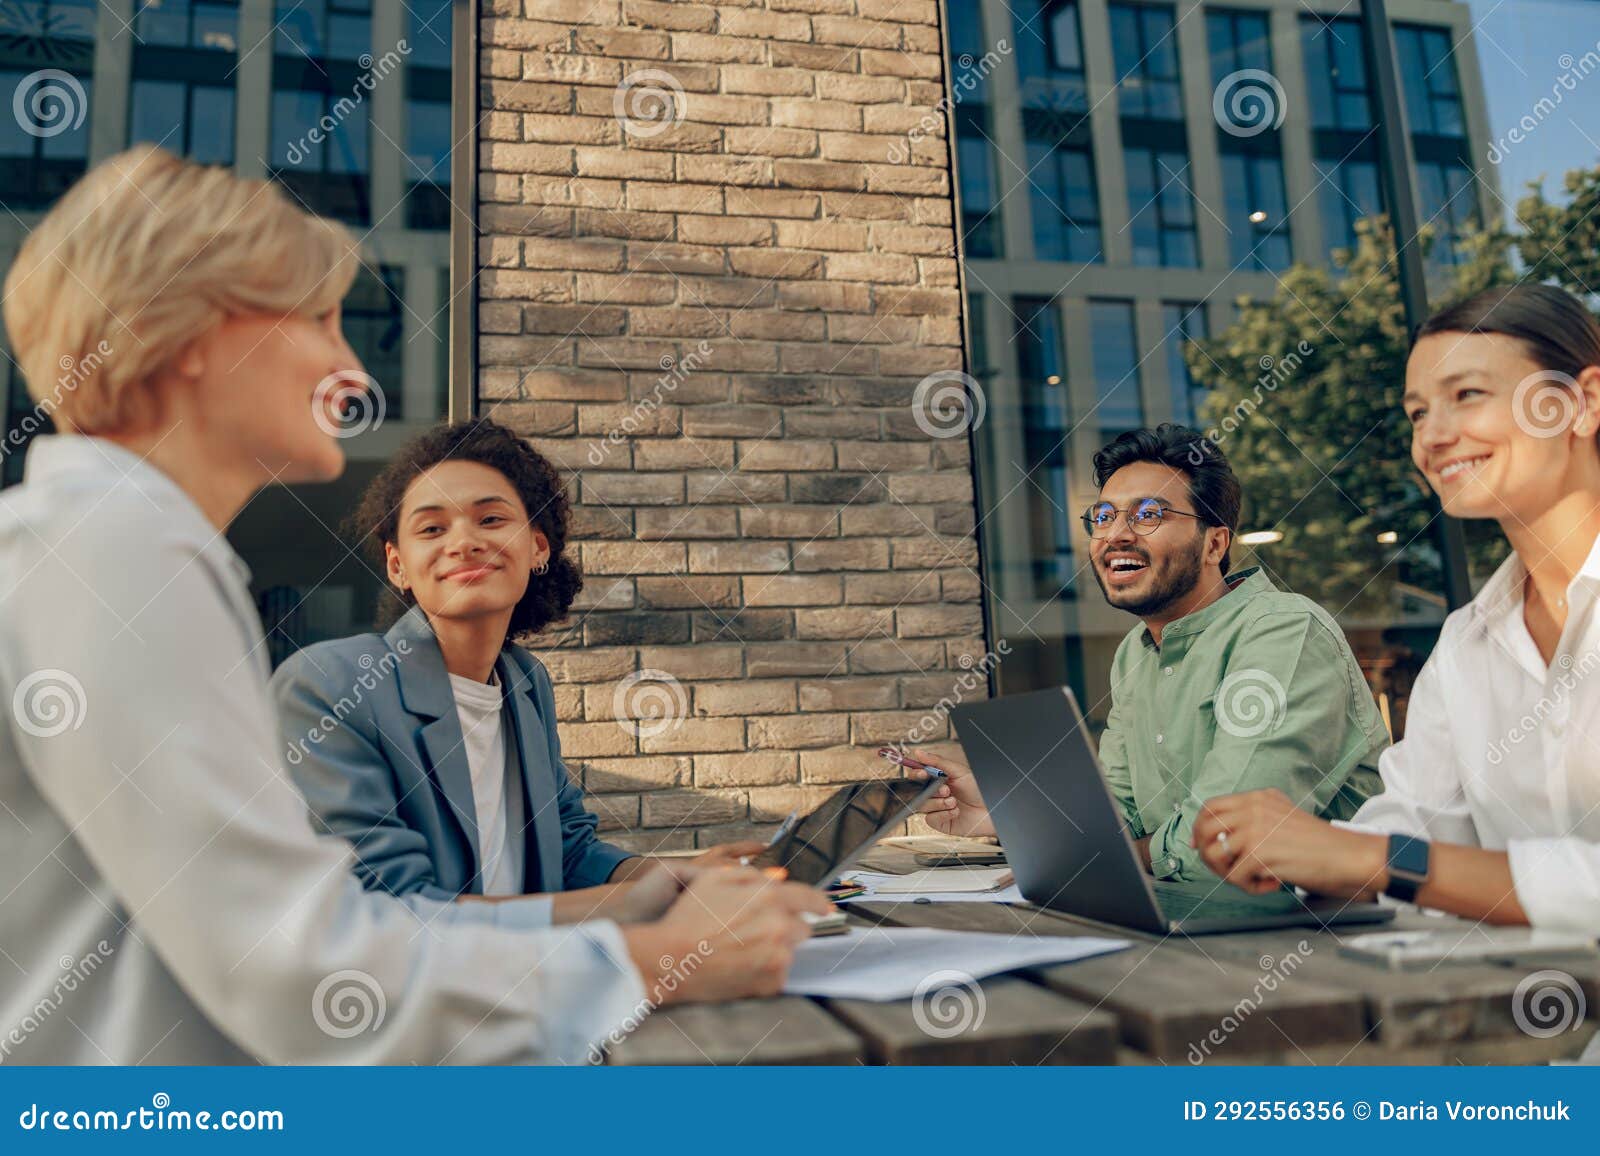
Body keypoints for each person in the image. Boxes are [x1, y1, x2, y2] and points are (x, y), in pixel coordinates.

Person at [0, 146, 828, 1065]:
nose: (351, 368)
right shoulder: (114, 553)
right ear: (192, 329)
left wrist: (646, 899)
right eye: (319, 319)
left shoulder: (111, 544)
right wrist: (656, 962)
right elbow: (301, 964)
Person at [1191, 283, 1600, 932]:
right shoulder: (1467, 643)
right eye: (1416, 413)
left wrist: (1367, 860)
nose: (1432, 437)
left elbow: (1394, 860)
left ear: (1582, 403)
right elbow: (1412, 826)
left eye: (1467, 394)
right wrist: (1287, 848)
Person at [272, 420, 762, 921]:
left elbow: (567, 850)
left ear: (537, 547)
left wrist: (682, 877)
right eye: (432, 528)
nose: (463, 542)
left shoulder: (525, 683)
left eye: (490, 519)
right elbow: (390, 909)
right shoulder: (329, 685)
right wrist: (634, 903)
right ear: (398, 566)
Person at [909, 424, 1385, 883]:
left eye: (1148, 514)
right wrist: (1005, 814)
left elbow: (1228, 844)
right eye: (1104, 516)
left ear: (1214, 544)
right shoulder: (1134, 654)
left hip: (1328, 922)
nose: (1116, 534)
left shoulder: (1283, 631)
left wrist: (1107, 858)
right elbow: (1118, 815)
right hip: (1201, 918)